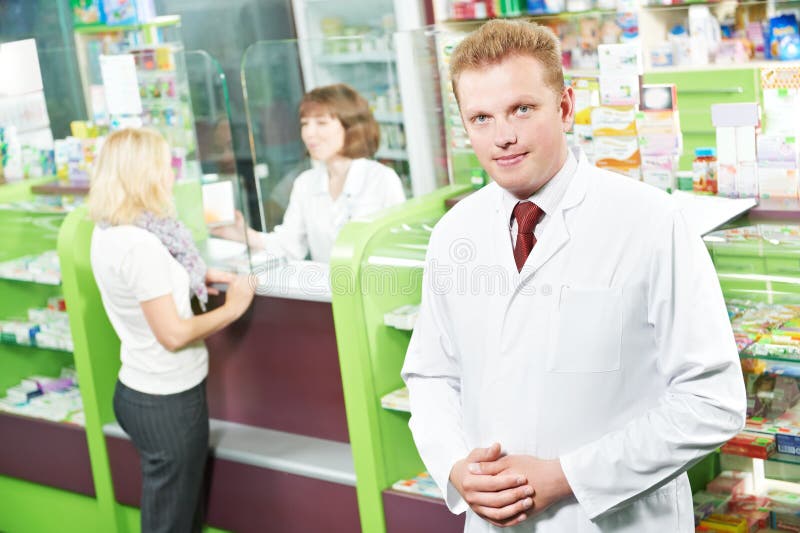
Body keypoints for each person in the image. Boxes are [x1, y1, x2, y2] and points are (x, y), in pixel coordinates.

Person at [401, 19, 746, 532]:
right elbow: (432, 375)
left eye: (522, 108)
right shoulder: (455, 234)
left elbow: (711, 402)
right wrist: (457, 467)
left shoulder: (650, 221)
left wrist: (566, 476)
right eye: (481, 117)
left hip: (615, 521)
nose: (504, 136)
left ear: (564, 107)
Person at [87, 128, 255, 533]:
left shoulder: (110, 231)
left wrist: (199, 273)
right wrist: (233, 308)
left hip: (141, 391)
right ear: (142, 175)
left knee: (177, 515)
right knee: (171, 523)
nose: (171, 175)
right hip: (167, 403)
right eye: (165, 166)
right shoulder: (140, 246)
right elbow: (174, 334)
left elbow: (151, 284)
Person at [212, 83, 406, 263]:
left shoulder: (381, 179)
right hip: (328, 294)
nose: (309, 133)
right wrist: (243, 234)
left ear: (351, 128)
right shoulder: (306, 183)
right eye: (305, 124)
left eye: (321, 123)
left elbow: (399, 250)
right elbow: (289, 246)